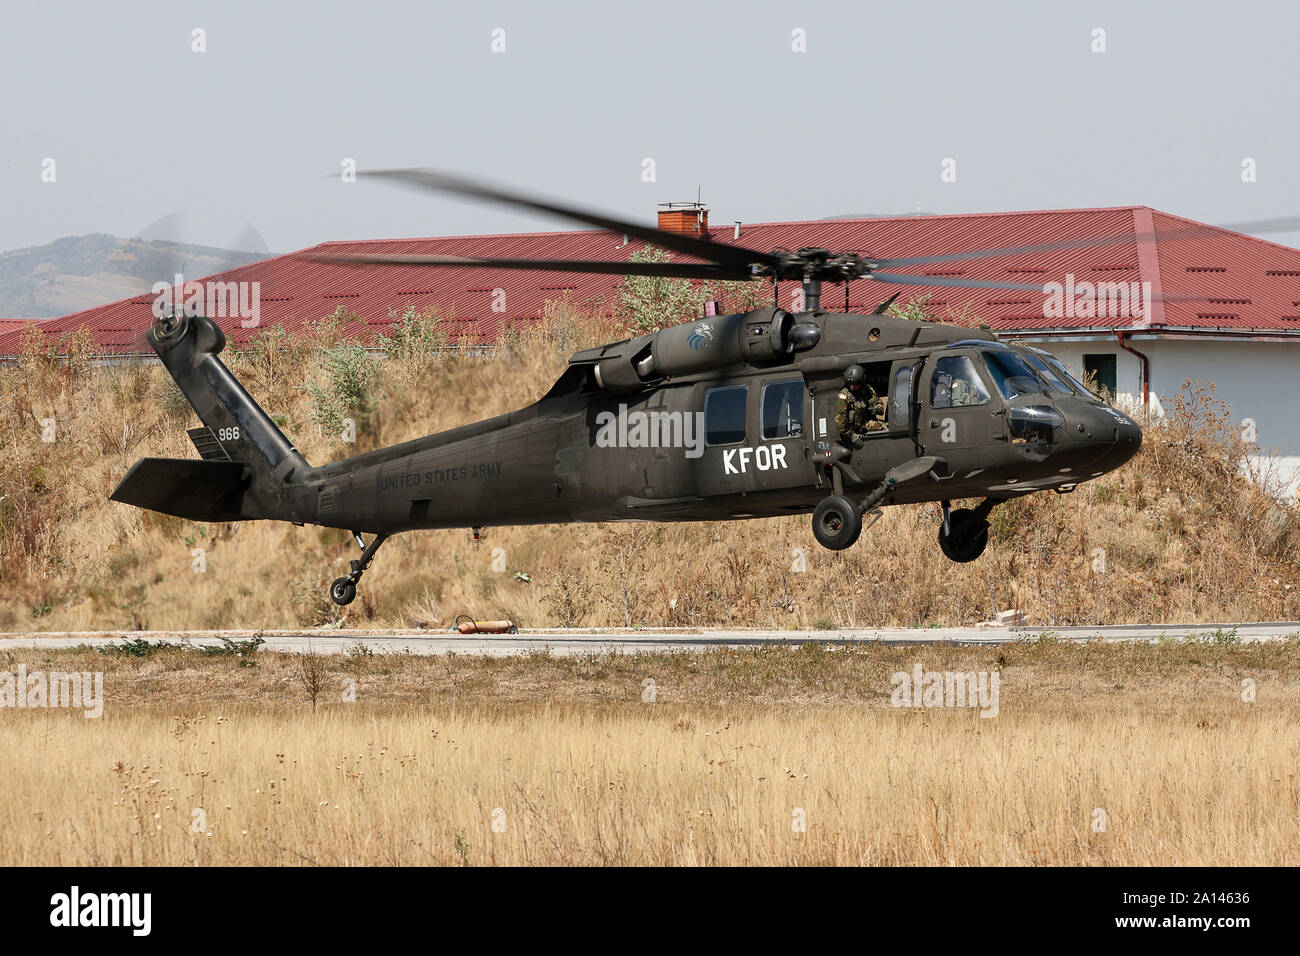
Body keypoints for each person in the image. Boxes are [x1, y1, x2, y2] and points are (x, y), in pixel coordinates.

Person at [835, 365, 885, 448]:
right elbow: (840, 423)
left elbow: (878, 402)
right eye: (850, 384)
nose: (852, 387)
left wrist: (876, 409)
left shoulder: (868, 389)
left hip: (866, 423)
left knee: (885, 427)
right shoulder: (844, 397)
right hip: (854, 430)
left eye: (855, 384)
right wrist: (852, 435)